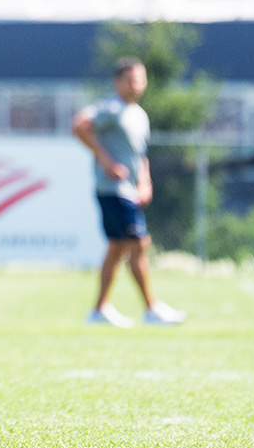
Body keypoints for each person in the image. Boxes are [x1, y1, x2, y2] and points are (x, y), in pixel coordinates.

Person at [72, 57, 186, 328]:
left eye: (141, 79)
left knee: (118, 246)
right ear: (118, 82)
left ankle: (100, 310)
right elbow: (79, 125)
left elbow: (140, 156)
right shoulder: (110, 108)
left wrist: (145, 183)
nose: (137, 85)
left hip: (131, 191)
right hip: (113, 189)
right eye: (131, 80)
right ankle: (151, 308)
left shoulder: (139, 114)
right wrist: (105, 159)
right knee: (138, 243)